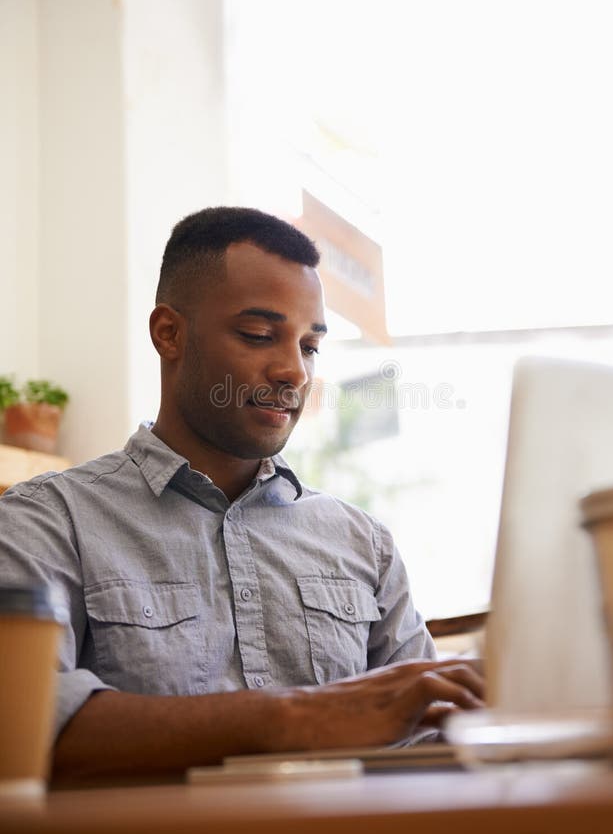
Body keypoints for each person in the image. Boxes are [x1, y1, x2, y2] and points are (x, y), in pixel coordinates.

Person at [0, 207, 484, 782]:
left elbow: (432, 742)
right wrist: (299, 715)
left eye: (310, 347)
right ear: (169, 333)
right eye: (259, 335)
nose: (294, 372)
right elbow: (22, 729)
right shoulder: (44, 525)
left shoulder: (365, 544)